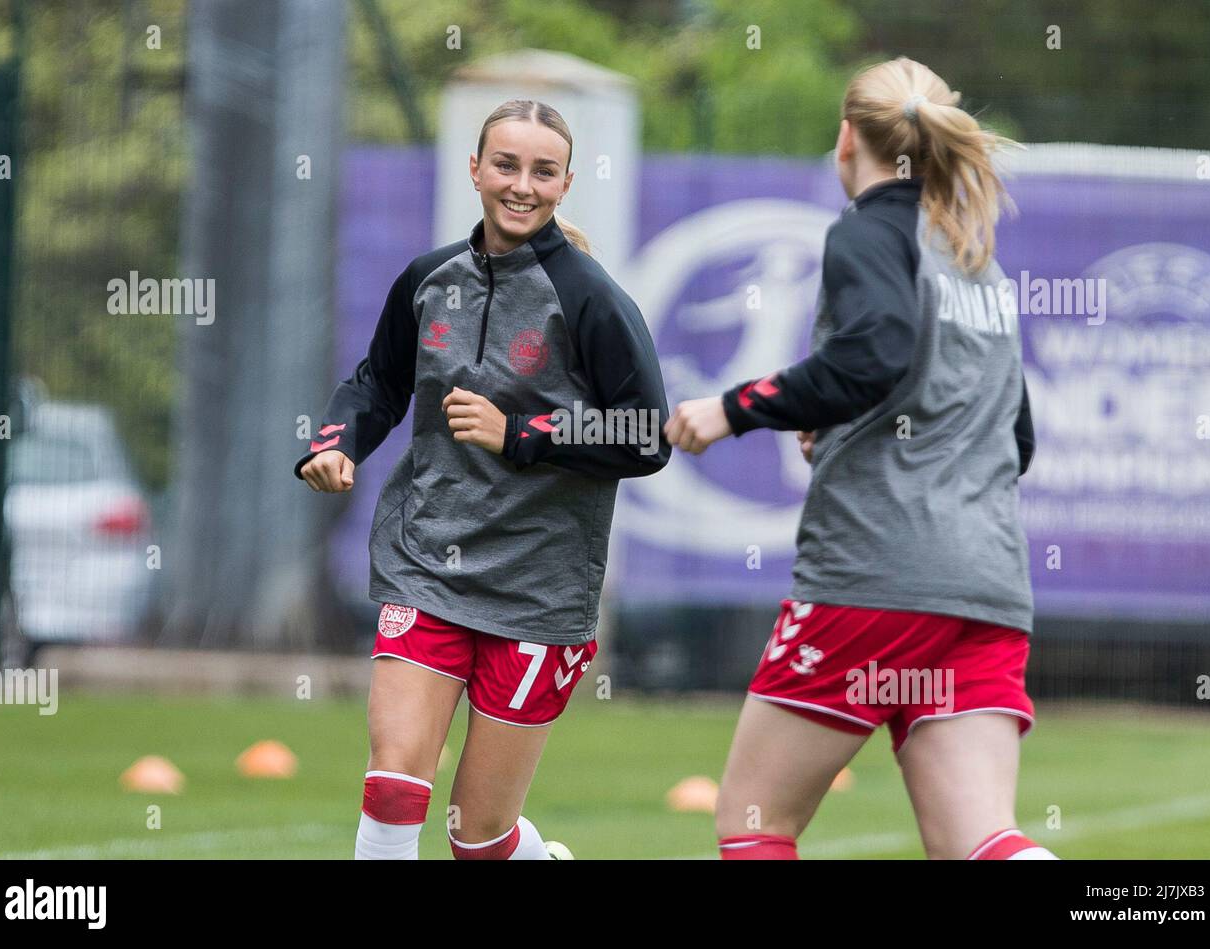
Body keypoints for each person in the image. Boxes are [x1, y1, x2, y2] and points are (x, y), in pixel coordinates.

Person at [663, 57, 1055, 861]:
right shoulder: (974, 258)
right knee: (981, 841)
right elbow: (1014, 439)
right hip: (984, 590)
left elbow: (873, 356)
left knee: (752, 820)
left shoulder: (867, 231)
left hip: (875, 576)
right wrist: (841, 425)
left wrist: (731, 408)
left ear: (846, 137)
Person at [296, 99, 669, 860]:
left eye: (542, 170)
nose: (521, 184)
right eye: (505, 164)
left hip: (539, 588)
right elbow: (378, 383)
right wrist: (336, 442)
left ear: (566, 184)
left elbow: (647, 433)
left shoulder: (593, 300)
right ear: (475, 169)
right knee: (395, 777)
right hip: (426, 561)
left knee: (478, 836)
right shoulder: (427, 279)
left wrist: (522, 434)